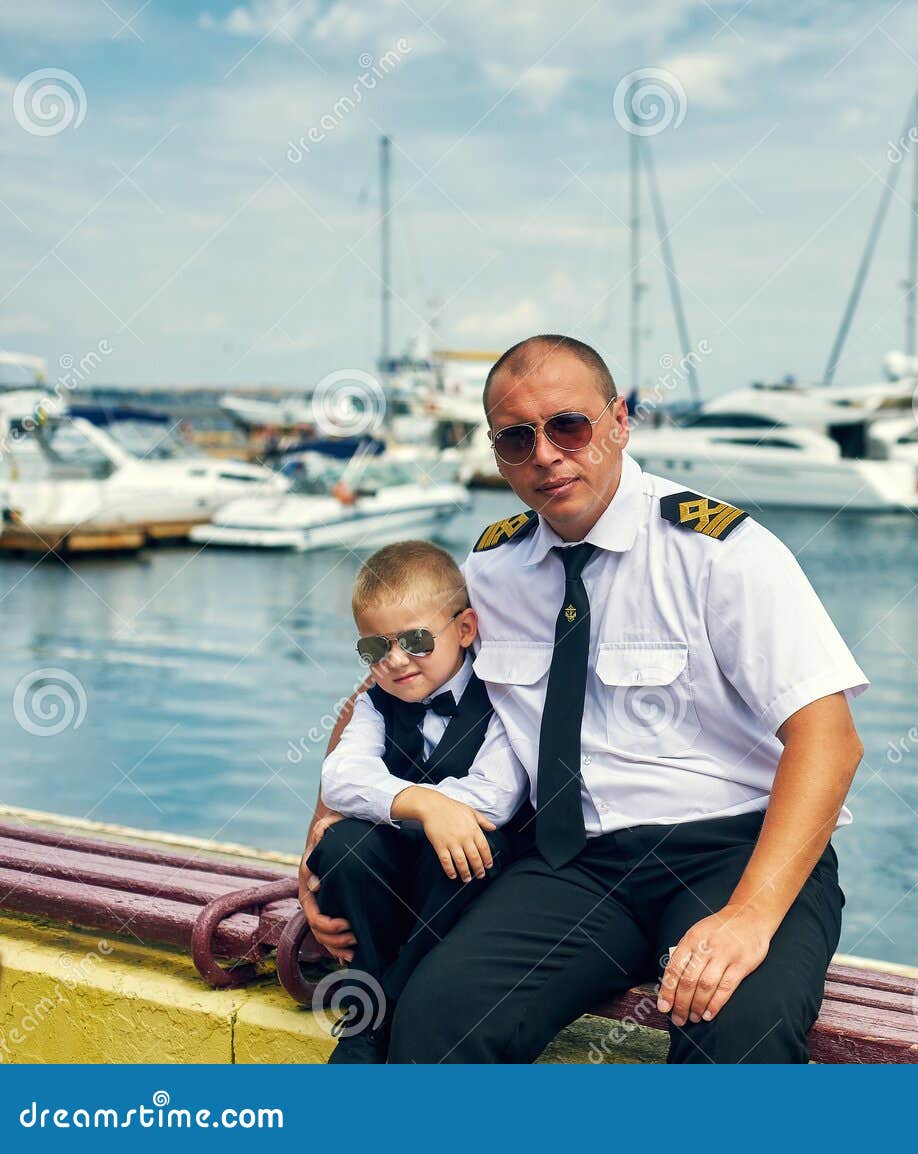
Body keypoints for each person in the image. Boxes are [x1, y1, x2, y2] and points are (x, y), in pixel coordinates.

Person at [301, 332, 867, 1063]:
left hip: (733, 849)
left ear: (619, 422)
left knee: (741, 1028)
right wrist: (319, 832)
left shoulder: (721, 553)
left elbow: (830, 739)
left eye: (568, 425)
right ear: (496, 452)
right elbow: (395, 673)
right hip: (575, 865)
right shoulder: (494, 568)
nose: (544, 454)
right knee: (440, 1017)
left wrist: (750, 915)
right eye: (516, 438)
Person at [306, 540, 528, 1063]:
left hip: (467, 878)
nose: (396, 661)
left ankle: (376, 1015)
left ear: (465, 630)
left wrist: (402, 805)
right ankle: (377, 1001)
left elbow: (493, 798)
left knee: (473, 846)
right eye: (374, 649)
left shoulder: (503, 697)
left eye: (416, 640)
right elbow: (340, 775)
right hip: (398, 868)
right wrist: (422, 805)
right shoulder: (374, 704)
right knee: (342, 847)